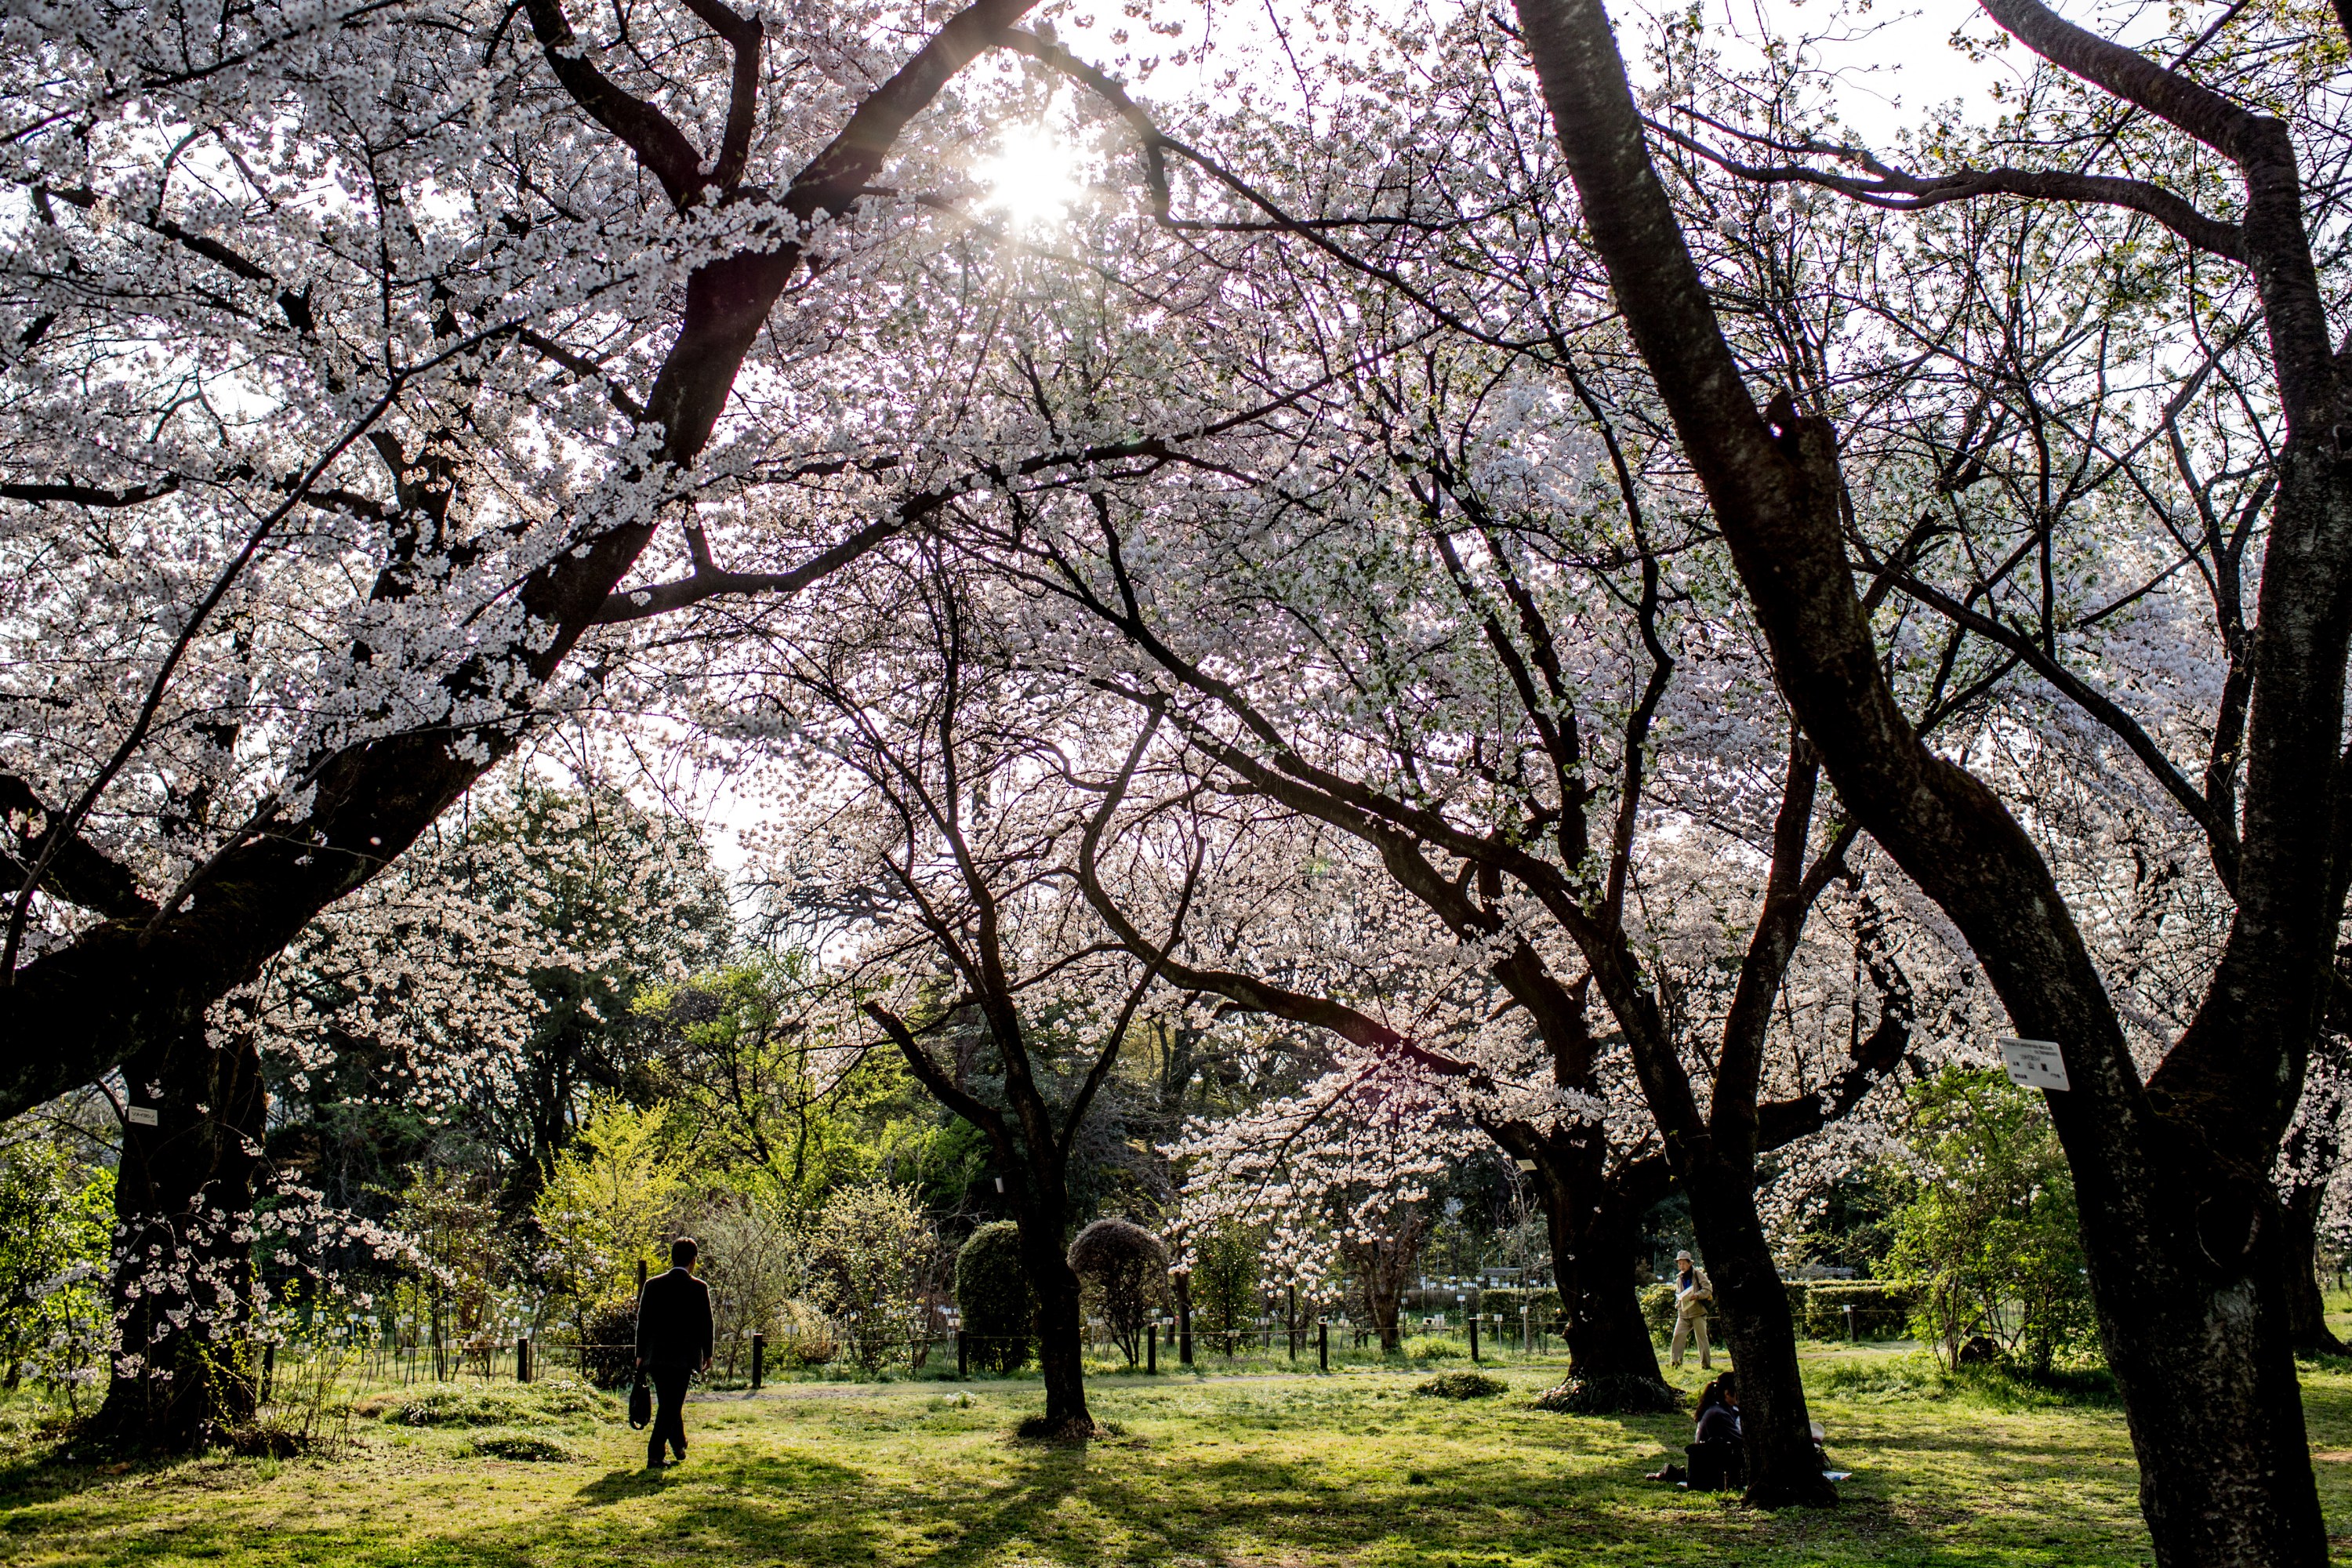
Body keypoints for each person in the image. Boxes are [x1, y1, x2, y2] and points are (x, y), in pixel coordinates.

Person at [635, 1236, 713, 1469]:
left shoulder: (652, 1285)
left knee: (669, 1403)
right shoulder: (699, 1288)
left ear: (672, 1257)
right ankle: (655, 1455)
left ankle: (678, 1444)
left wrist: (640, 1353)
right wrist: (707, 1353)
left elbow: (643, 1321)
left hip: (656, 1355)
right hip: (683, 1357)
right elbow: (705, 1323)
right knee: (671, 1405)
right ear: (693, 1260)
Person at [1670, 1249, 1712, 1370]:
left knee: (1702, 1339)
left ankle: (1706, 1366)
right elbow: (1678, 1294)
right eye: (1679, 1263)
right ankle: (1676, 1365)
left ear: (1690, 1263)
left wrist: (1697, 1295)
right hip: (1683, 1314)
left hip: (1698, 1312)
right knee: (1677, 1337)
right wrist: (1678, 1302)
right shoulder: (1679, 1278)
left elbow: (1708, 1290)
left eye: (1683, 1263)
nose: (1681, 1266)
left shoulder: (1699, 1275)